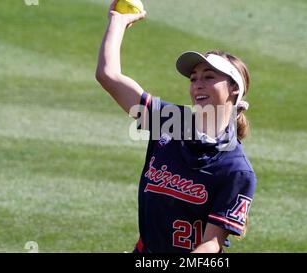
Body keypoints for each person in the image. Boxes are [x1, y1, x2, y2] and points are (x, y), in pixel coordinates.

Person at [95, 0, 257, 253]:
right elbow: (109, 76)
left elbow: (211, 244)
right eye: (194, 79)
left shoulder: (236, 170)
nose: (197, 85)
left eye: (209, 77)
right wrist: (117, 21)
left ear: (234, 89)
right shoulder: (170, 121)